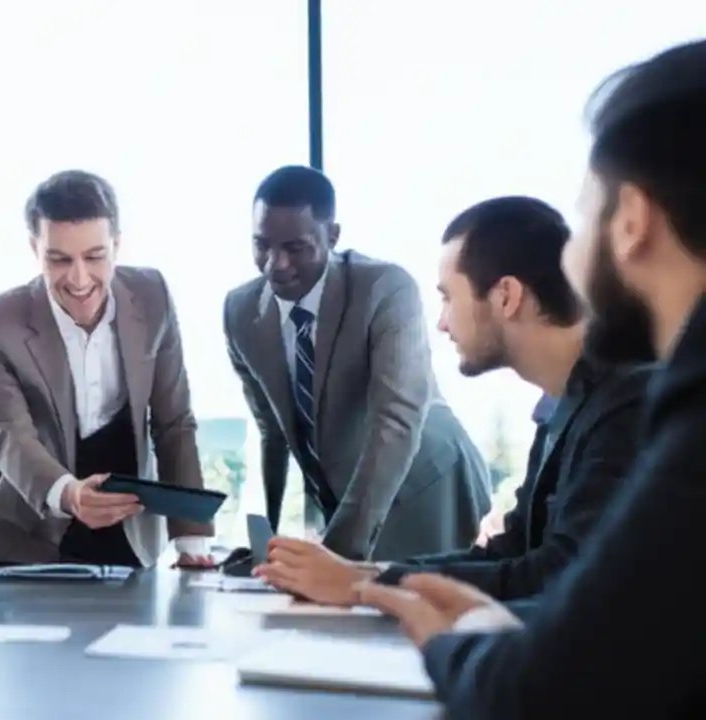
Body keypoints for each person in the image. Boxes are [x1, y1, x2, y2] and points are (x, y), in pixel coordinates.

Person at [360, 39, 706, 717]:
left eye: (584, 212)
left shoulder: (678, 402)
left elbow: (542, 690)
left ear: (631, 222)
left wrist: (455, 638)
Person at [254, 196, 650, 605]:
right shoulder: (561, 404)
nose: (442, 323)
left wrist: (363, 586)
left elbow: (562, 575)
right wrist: (364, 574)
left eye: (447, 297)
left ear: (506, 296)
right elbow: (511, 551)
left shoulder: (625, 405)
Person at [223, 165, 491, 561]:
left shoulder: (384, 288)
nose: (275, 264)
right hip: (348, 495)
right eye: (262, 245)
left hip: (425, 482)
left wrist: (338, 553)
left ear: (332, 236)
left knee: (412, 597)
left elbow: (395, 421)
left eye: (295, 248)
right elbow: (272, 430)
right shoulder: (241, 310)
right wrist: (265, 541)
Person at [0, 169, 214, 568]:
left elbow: (174, 423)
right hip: (28, 542)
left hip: (132, 538)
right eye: (59, 259)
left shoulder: (152, 297)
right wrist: (69, 494)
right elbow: (10, 436)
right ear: (34, 248)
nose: (79, 279)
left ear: (117, 244)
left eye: (95, 257)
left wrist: (190, 539)